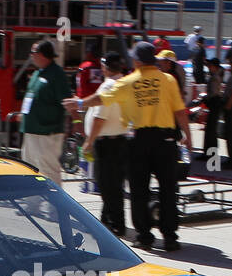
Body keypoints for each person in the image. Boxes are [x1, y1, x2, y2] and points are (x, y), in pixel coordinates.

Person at [72, 40, 192, 251]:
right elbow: (180, 111)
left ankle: (144, 236)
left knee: (139, 190)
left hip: (139, 140)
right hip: (166, 141)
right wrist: (188, 135)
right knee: (168, 189)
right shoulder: (168, 80)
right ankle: (170, 237)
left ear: (136, 60)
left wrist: (81, 103)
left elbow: (101, 99)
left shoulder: (128, 82)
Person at [82, 52, 131, 236]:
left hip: (107, 142)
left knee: (107, 184)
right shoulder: (123, 84)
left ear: (104, 67)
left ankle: (114, 223)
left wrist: (89, 141)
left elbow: (99, 119)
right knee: (114, 184)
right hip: (119, 140)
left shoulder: (109, 86)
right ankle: (108, 219)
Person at [19, 39, 71, 186]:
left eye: (32, 52)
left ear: (41, 54)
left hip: (47, 132)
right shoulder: (37, 73)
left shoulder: (56, 74)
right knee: (29, 168)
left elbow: (67, 101)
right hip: (31, 130)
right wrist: (23, 114)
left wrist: (77, 121)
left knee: (49, 170)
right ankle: (32, 204)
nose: (30, 55)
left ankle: (55, 207)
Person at [200, 56, 223, 159]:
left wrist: (205, 99)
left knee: (211, 131)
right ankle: (208, 153)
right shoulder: (214, 76)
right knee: (209, 130)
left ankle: (211, 155)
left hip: (214, 103)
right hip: (213, 103)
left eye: (210, 65)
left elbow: (213, 93)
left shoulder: (215, 78)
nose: (208, 67)